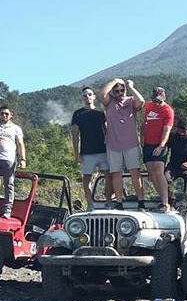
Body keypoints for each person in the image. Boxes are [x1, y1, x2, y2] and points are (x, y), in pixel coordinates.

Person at [99, 78, 145, 210]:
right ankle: (119, 202)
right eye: (117, 91)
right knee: (116, 173)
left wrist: (131, 87)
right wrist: (115, 80)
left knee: (135, 172)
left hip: (131, 143)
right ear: (113, 91)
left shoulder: (131, 101)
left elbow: (141, 101)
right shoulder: (110, 102)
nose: (120, 93)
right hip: (113, 144)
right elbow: (102, 94)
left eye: (122, 90)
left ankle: (140, 201)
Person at [0, 106, 26, 218]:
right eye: (2, 113)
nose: (4, 115)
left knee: (9, 184)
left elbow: (20, 143)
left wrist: (22, 159)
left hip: (9, 159)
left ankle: (7, 210)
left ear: (11, 115)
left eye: (6, 114)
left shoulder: (16, 128)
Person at [71, 86, 108, 211]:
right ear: (82, 98)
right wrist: (77, 154)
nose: (87, 97)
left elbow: (107, 131)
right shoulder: (77, 114)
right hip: (87, 152)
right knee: (86, 179)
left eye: (89, 94)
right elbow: (75, 135)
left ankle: (108, 202)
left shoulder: (101, 113)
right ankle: (90, 204)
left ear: (94, 96)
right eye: (85, 95)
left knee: (109, 176)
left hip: (103, 150)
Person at [143, 87, 175, 211]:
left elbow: (167, 130)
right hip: (147, 143)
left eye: (159, 97)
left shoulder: (168, 110)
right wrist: (142, 138)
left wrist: (161, 145)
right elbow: (144, 123)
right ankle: (164, 197)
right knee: (151, 174)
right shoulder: (149, 106)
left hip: (159, 144)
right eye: (155, 97)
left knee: (158, 171)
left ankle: (165, 202)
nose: (157, 100)